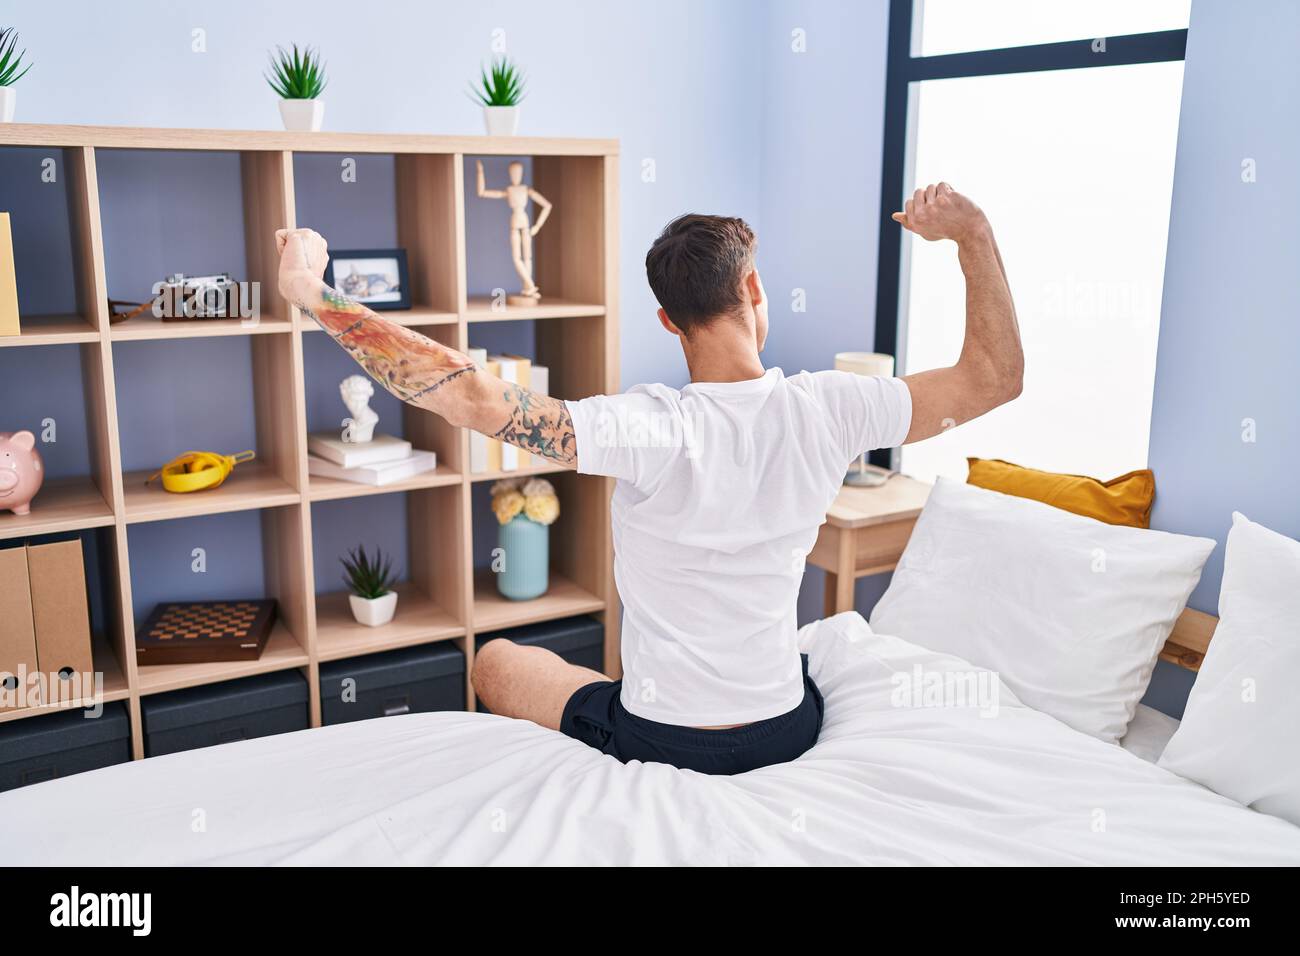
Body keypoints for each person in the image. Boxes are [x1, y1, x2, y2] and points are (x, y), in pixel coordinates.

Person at [275, 181, 1021, 775]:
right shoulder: (833, 407)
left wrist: (314, 291)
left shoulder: (644, 425)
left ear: (667, 321)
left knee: (497, 661)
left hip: (665, 738)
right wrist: (972, 235)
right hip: (786, 730)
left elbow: (470, 395)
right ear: (753, 290)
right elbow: (994, 378)